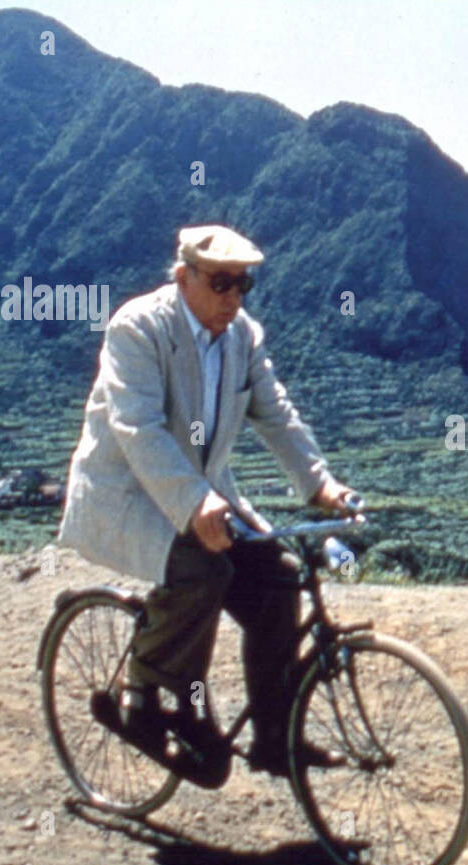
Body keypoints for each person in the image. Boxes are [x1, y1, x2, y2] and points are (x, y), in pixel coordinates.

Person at [57, 224, 357, 776]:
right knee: (202, 571)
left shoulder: (243, 336)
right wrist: (195, 503)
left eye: (243, 285)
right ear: (183, 277)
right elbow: (139, 429)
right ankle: (141, 697)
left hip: (202, 496)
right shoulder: (138, 328)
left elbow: (276, 415)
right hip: (129, 495)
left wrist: (320, 484)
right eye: (221, 283)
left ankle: (275, 734)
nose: (233, 298)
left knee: (279, 576)